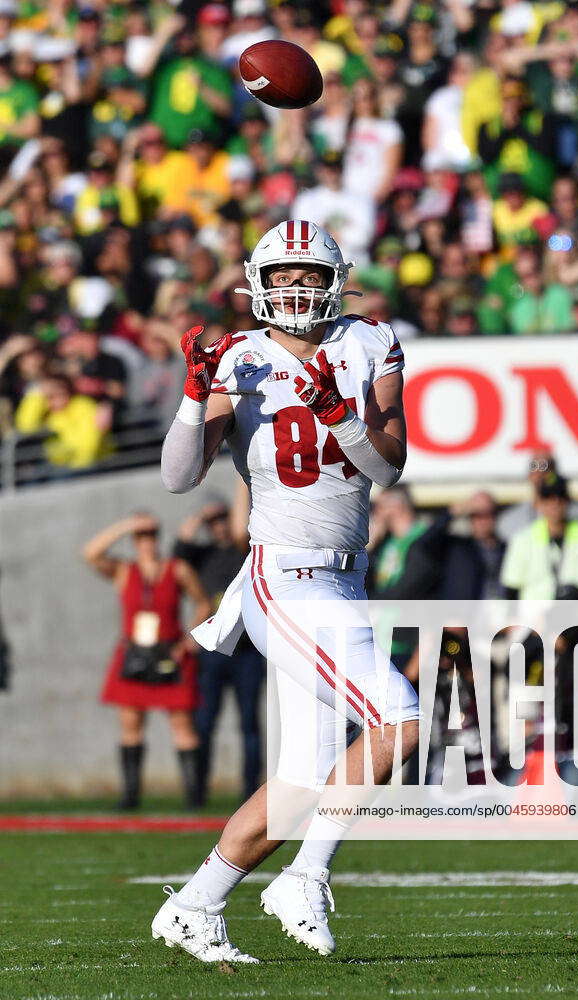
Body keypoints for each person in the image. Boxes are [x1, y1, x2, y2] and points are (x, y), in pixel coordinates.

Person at [154, 220, 419, 963]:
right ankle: (304, 876)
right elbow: (178, 478)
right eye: (282, 276)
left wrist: (342, 418)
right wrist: (191, 396)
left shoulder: (370, 342)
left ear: (335, 278)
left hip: (343, 574)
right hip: (284, 575)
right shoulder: (238, 357)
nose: (295, 287)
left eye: (308, 273)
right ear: (257, 283)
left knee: (303, 779)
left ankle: (194, 906)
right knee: (402, 716)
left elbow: (387, 468)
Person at [83, 512, 210, 809]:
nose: (147, 541)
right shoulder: (123, 571)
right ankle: (130, 796)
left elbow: (203, 602)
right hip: (134, 655)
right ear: (134, 541)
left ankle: (194, 797)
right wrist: (127, 523)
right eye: (141, 536)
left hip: (169, 653)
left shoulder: (177, 569)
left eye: (152, 534)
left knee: (182, 724)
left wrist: (190, 640)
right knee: (130, 723)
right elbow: (91, 553)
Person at [174, 499, 265, 804]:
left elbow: (242, 529)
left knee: (249, 723)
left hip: (247, 650)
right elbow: (180, 545)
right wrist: (202, 514)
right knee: (204, 721)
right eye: (214, 523)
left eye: (223, 519)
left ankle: (250, 791)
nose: (220, 526)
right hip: (213, 652)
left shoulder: (244, 550)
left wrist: (231, 506)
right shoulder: (203, 555)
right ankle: (197, 792)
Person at [501, 474, 578, 600]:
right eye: (548, 498)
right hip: (534, 617)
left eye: (560, 497)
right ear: (539, 503)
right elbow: (511, 590)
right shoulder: (522, 540)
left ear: (568, 501)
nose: (555, 503)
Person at [466, 491, 506, 599]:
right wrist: (450, 513)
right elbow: (424, 546)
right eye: (477, 515)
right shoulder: (458, 550)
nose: (483, 520)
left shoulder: (509, 549)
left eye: (488, 513)